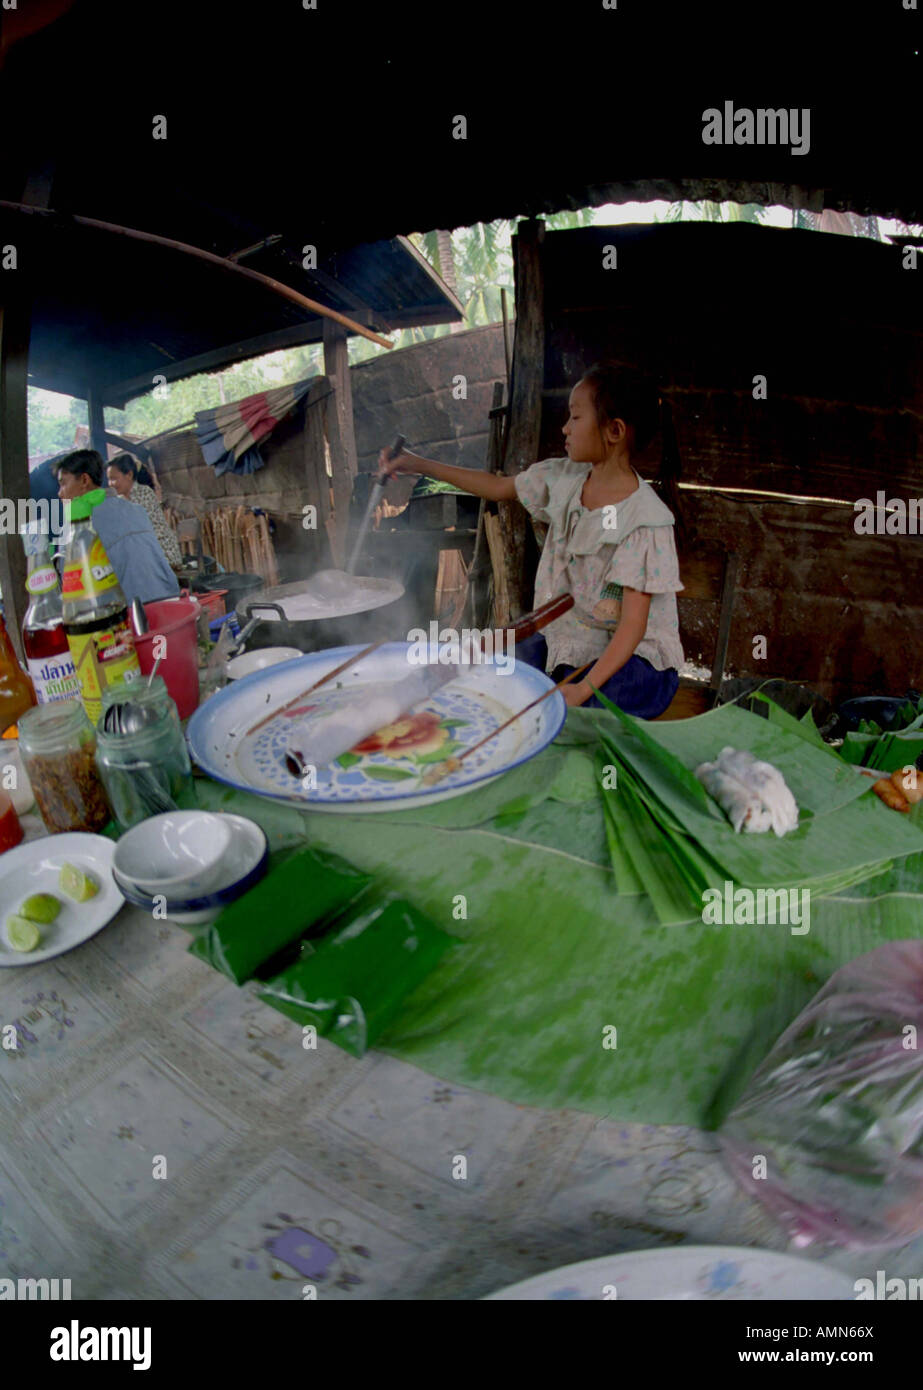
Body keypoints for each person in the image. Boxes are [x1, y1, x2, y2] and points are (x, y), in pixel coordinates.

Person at [378, 365, 684, 717]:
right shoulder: (564, 478)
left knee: (580, 706)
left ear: (614, 431)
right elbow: (497, 487)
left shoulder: (644, 520)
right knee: (499, 676)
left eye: (575, 417)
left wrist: (583, 688)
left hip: (630, 658)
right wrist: (418, 464)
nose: (565, 428)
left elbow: (632, 628)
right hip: (568, 638)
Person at [54, 450, 180, 606]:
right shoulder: (136, 510)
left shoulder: (77, 527)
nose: (60, 493)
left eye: (63, 483)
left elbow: (70, 586)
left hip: (129, 614)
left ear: (84, 480)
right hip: (171, 599)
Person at [107, 454, 182, 568]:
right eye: (109, 479)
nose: (111, 484)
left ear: (129, 475)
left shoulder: (144, 493)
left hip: (162, 553)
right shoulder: (120, 500)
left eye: (114, 479)